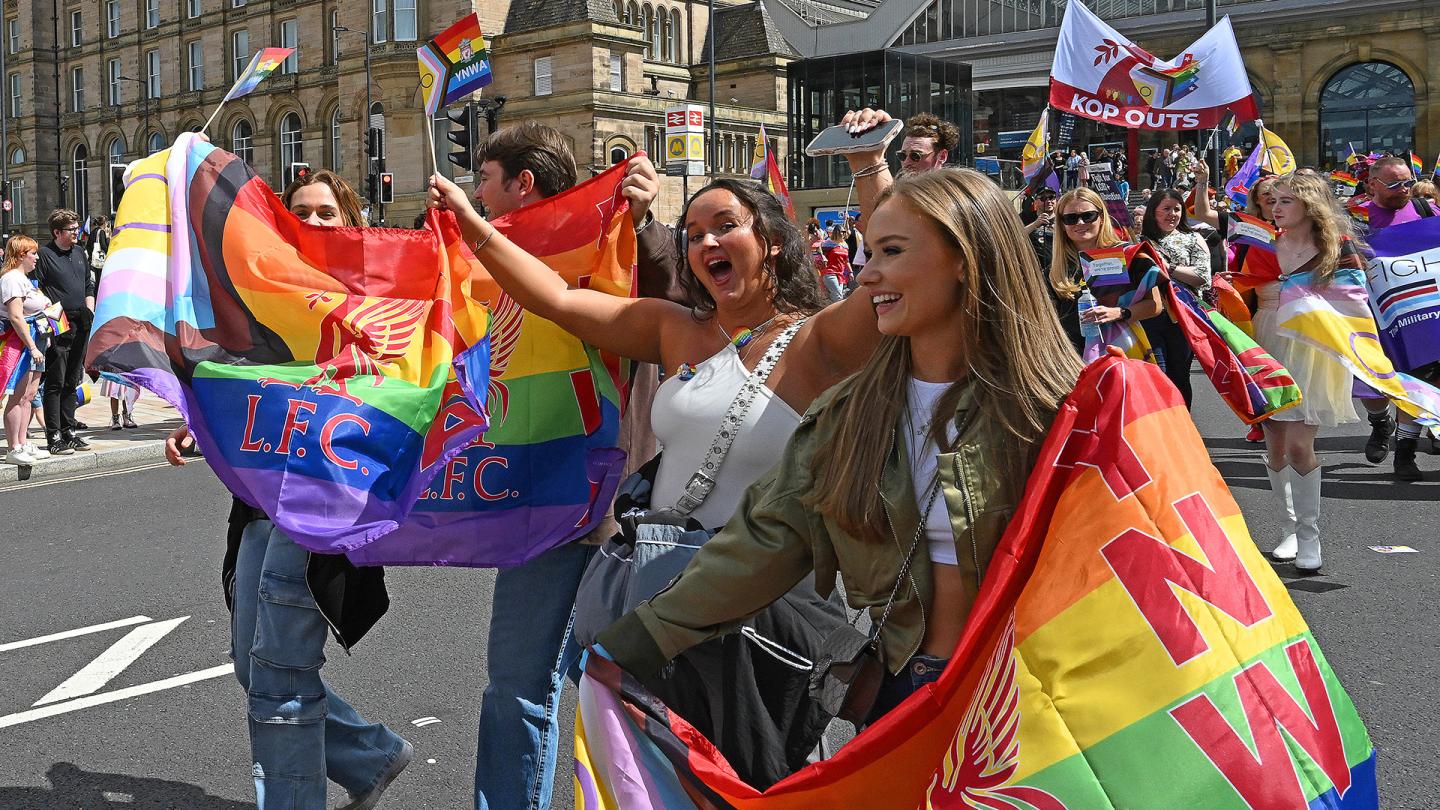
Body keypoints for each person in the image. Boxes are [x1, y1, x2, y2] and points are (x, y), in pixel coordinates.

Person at [428, 162, 884, 787]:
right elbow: (557, 300)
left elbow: (890, 271)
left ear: (774, 240)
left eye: (725, 226)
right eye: (693, 234)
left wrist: (868, 168)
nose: (706, 242)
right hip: (663, 590)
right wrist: (471, 222)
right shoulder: (677, 329)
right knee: (656, 777)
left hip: (767, 603)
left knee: (760, 776)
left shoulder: (819, 339)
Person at [591, 168, 1082, 727]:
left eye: (891, 251)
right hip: (906, 690)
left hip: (1036, 691)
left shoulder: (1071, 406)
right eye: (870, 253)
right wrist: (633, 641)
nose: (867, 274)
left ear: (965, 259)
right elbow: (767, 540)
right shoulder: (852, 409)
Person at [460, 122, 685, 809]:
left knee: (620, 691)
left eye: (485, 180)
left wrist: (641, 225)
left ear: (522, 183)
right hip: (532, 496)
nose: (477, 193)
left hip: (603, 505)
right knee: (521, 682)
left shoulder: (610, 243)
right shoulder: (484, 254)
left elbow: (674, 303)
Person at [1252, 173, 1365, 572]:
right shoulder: (1262, 243)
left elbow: (1355, 303)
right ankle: (1287, 529)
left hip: (1313, 348)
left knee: (1300, 445)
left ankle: (1308, 535)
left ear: (1309, 205)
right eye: (1273, 200)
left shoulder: (1336, 245)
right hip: (1266, 340)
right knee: (1275, 444)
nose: (1275, 207)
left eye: (1285, 201)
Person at [1353, 155, 1437, 478]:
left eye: (1408, 181)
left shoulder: (1427, 211)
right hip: (1378, 317)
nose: (1404, 188)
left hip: (1424, 313)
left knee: (1420, 379)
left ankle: (1405, 455)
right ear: (1372, 184)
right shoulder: (1355, 218)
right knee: (1377, 384)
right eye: (1395, 184)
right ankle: (1380, 424)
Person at [1048, 187, 1163, 354]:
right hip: (1069, 356)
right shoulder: (1056, 267)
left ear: (1101, 218)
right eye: (1070, 218)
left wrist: (1120, 312)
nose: (1080, 223)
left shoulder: (1127, 256)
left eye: (1088, 216)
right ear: (1062, 224)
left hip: (1119, 352)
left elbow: (1155, 305)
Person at [1140, 188, 1211, 408]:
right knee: (1157, 375)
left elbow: (1202, 277)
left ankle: (1183, 421)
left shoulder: (1193, 238)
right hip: (1148, 315)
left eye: (1177, 209)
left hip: (1182, 317)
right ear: (1153, 212)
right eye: (1166, 209)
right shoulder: (1139, 241)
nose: (1172, 214)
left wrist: (1167, 267)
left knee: (1179, 374)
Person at [34, 209, 94, 455]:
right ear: (57, 232)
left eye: (77, 228)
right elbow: (36, 289)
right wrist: (53, 315)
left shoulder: (79, 252)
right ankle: (54, 436)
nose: (76, 232)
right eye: (71, 229)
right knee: (55, 381)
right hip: (58, 321)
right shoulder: (44, 255)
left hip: (82, 320)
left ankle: (69, 431)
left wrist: (89, 308)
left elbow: (88, 284)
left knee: (72, 380)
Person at [2, 236, 53, 465]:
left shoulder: (24, 279)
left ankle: (22, 443)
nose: (37, 257)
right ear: (21, 255)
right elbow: (16, 316)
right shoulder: (12, 279)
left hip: (35, 340)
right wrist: (32, 346)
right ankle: (14, 447)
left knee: (29, 396)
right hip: (23, 343)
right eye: (33, 253)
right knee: (18, 396)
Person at [1023, 187, 1058, 270]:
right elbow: (1016, 236)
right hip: (1034, 269)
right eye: (1043, 198)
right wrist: (1035, 224)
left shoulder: (1064, 218)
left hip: (1057, 268)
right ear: (1035, 201)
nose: (1048, 201)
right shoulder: (1026, 217)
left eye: (1051, 197)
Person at [819, 223, 851, 302]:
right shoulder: (828, 243)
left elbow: (846, 260)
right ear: (836, 232)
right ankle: (839, 310)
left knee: (837, 296)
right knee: (838, 296)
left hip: (840, 274)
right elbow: (818, 250)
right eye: (841, 232)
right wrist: (822, 257)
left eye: (844, 232)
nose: (843, 234)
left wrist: (850, 272)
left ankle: (830, 309)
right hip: (829, 272)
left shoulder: (845, 245)